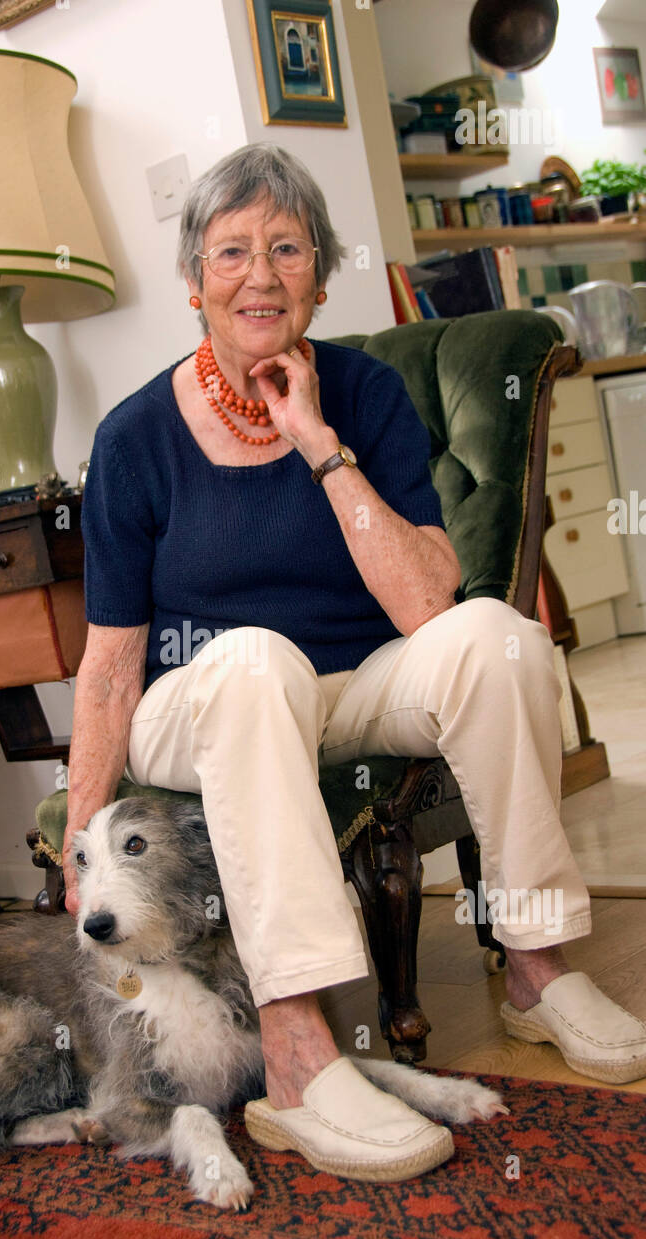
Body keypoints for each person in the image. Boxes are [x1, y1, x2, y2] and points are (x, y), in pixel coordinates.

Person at [62, 143, 646, 1181]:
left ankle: (532, 965)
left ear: (318, 280)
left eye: (286, 247)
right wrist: (80, 838)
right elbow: (110, 666)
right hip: (196, 700)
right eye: (231, 250)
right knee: (252, 662)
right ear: (194, 281)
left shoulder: (364, 395)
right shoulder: (134, 438)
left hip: (350, 682)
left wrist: (314, 439)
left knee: (495, 638)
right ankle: (294, 1052)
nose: (259, 273)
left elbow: (427, 605)